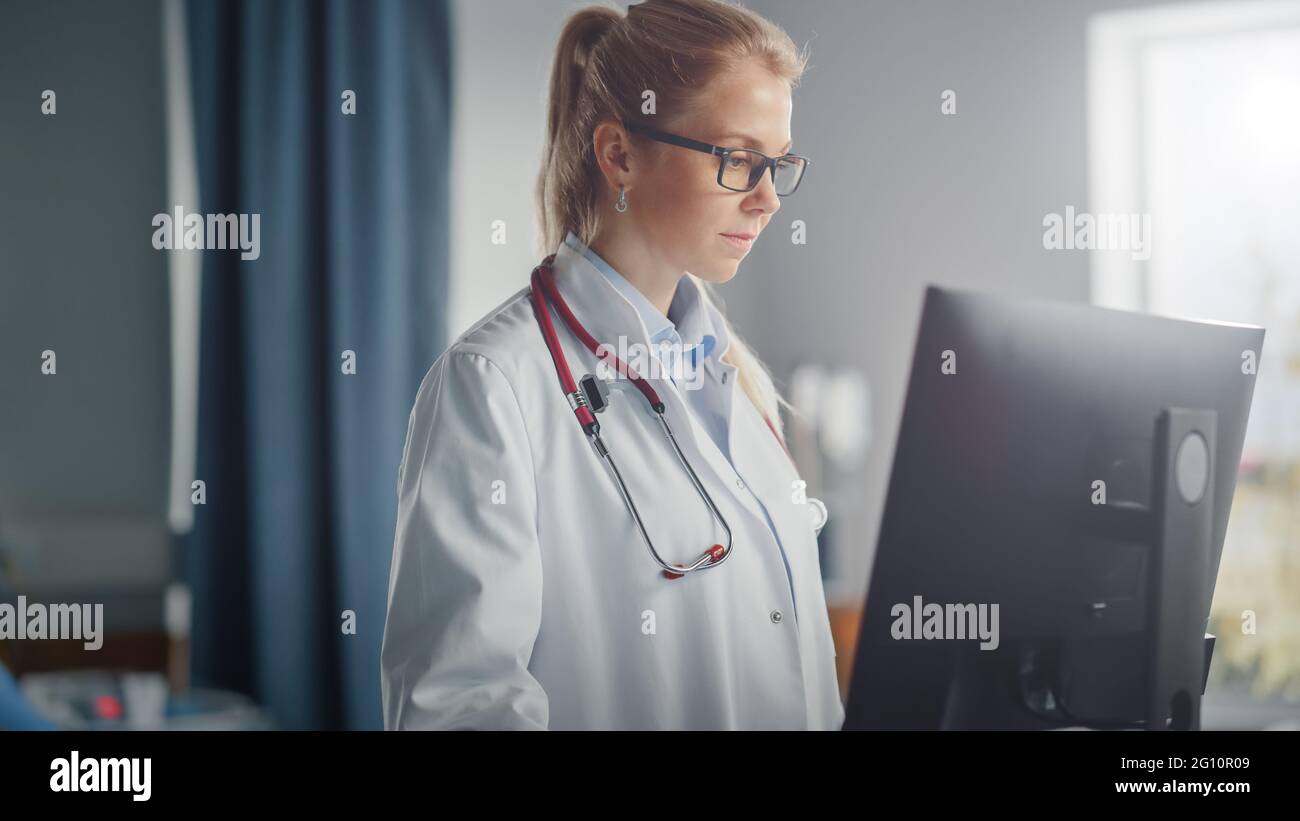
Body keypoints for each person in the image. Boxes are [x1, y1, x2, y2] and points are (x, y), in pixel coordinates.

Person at [380, 0, 842, 730]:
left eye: (778, 164)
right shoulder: (494, 386)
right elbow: (458, 708)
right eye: (736, 158)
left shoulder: (729, 381)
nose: (767, 199)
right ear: (619, 154)